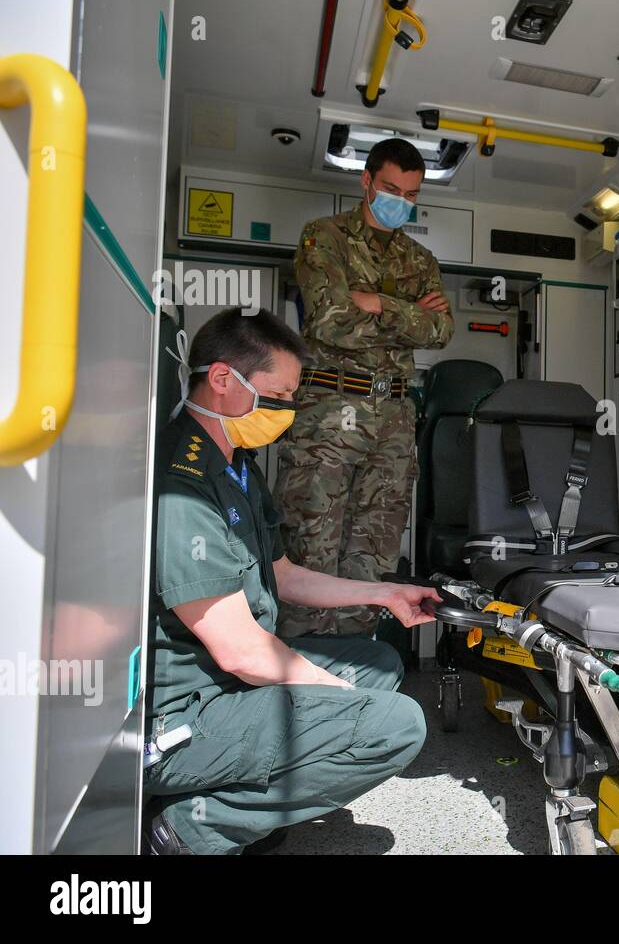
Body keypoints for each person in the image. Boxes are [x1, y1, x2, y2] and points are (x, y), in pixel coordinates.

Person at [144, 308, 442, 854]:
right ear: (222, 379)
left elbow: (281, 575)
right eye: (278, 395)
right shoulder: (184, 481)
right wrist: (337, 696)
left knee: (378, 664)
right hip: (182, 717)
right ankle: (187, 830)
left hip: (227, 683)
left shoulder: (237, 464)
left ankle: (241, 800)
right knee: (394, 725)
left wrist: (384, 593)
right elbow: (241, 652)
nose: (286, 409)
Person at [275, 137, 453, 638]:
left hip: (394, 417)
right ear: (367, 181)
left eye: (411, 194)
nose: (401, 201)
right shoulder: (323, 237)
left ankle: (355, 661)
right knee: (312, 541)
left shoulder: (420, 259)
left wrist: (376, 302)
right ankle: (299, 664)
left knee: (375, 548)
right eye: (392, 189)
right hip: (330, 411)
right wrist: (410, 315)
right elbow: (330, 320)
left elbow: (441, 331)